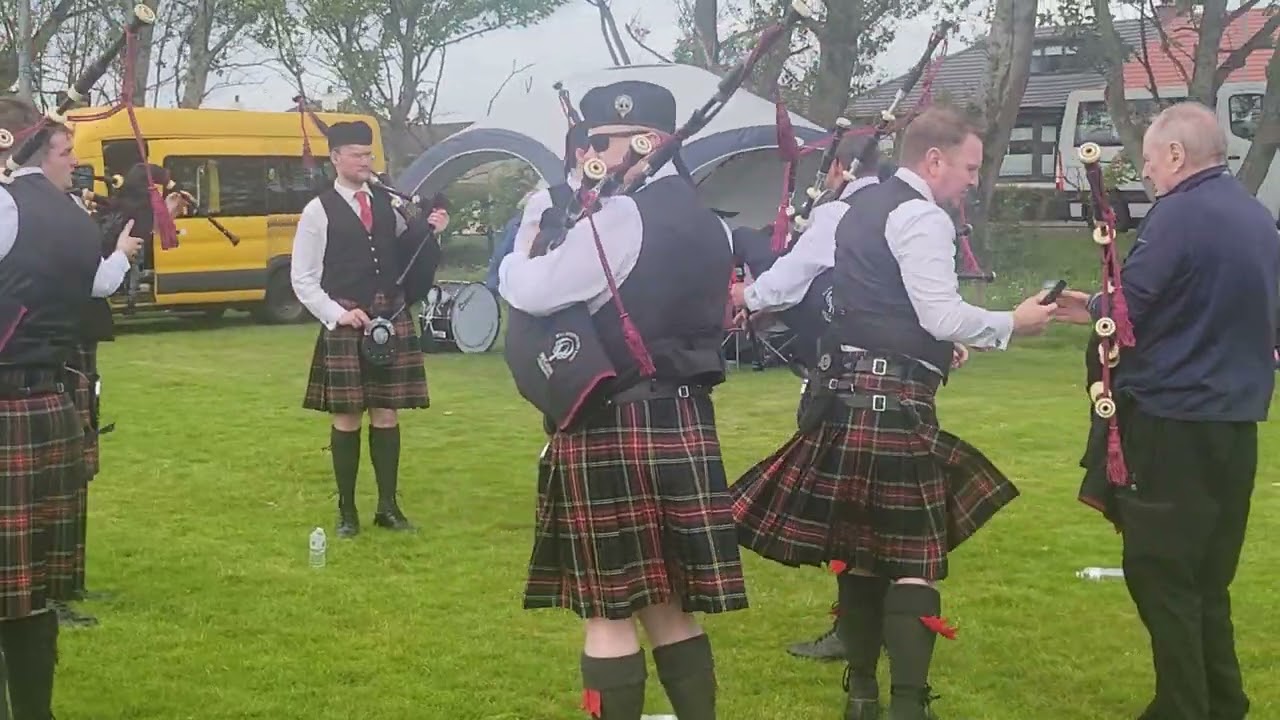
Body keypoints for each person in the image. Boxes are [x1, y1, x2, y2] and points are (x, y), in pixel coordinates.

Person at [731, 106, 1057, 720]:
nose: (972, 180)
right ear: (933, 160)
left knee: (858, 552)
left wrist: (747, 296)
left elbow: (850, 293)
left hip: (843, 396)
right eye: (969, 167)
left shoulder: (847, 209)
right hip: (895, 405)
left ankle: (861, 697)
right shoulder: (922, 216)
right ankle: (909, 706)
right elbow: (940, 312)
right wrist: (1012, 321)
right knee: (911, 561)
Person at [498, 80, 745, 720]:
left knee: (609, 614)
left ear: (646, 142)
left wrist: (524, 241)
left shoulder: (620, 217)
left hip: (611, 419)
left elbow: (533, 291)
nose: (591, 154)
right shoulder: (712, 224)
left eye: (602, 141)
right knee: (670, 608)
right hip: (684, 417)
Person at [1056, 102, 1277, 720]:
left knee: (1162, 574)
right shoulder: (1259, 219)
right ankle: (1222, 702)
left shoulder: (1178, 214)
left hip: (1172, 422)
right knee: (1207, 578)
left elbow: (1130, 310)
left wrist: (1091, 306)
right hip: (1235, 424)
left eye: (1150, 161)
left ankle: (1182, 707)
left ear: (1177, 155)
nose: (1148, 174)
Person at [0, 94, 116, 719]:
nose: (73, 161)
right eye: (66, 150)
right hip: (48, 403)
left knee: (15, 583)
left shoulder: (8, 206)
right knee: (30, 584)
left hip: (8, 410)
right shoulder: (72, 215)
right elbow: (95, 285)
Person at [290, 120, 449, 538]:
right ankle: (347, 513)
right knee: (347, 416)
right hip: (347, 319)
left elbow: (406, 252)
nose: (366, 161)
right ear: (335, 158)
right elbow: (302, 278)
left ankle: (388, 508)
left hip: (389, 316)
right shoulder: (317, 211)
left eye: (369, 154)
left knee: (386, 411)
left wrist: (431, 230)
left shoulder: (385, 202)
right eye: (357, 155)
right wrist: (336, 313)